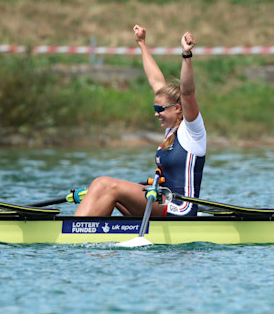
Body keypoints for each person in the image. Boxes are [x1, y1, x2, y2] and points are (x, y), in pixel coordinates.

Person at [74, 26, 206, 217]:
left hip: (180, 209)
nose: (156, 114)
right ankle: (85, 233)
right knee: (100, 187)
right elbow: (155, 80)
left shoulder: (192, 130)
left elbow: (187, 92)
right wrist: (141, 43)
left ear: (178, 108)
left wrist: (186, 55)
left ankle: (72, 233)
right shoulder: (171, 129)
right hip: (161, 202)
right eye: (155, 109)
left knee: (106, 184)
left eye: (160, 109)